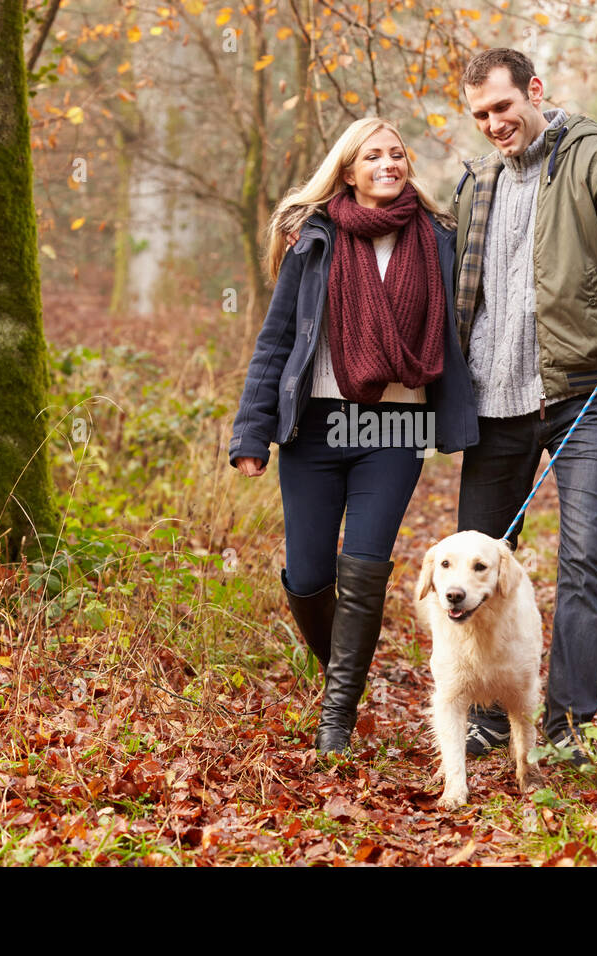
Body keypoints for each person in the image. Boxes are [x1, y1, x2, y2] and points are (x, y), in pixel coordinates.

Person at [451, 48, 597, 757]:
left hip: (586, 395)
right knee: (476, 570)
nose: (493, 124)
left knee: (584, 561)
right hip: (494, 407)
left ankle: (568, 726)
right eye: (480, 114)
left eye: (502, 107)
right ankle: (488, 716)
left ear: (534, 91)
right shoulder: (473, 185)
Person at [229, 118, 478, 755]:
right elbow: (277, 340)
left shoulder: (439, 239)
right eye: (373, 156)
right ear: (348, 171)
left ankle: (336, 718)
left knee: (364, 569)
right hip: (315, 427)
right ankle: (346, 669)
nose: (389, 163)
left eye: (397, 154)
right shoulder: (315, 240)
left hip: (395, 428)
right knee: (308, 574)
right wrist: (251, 432)